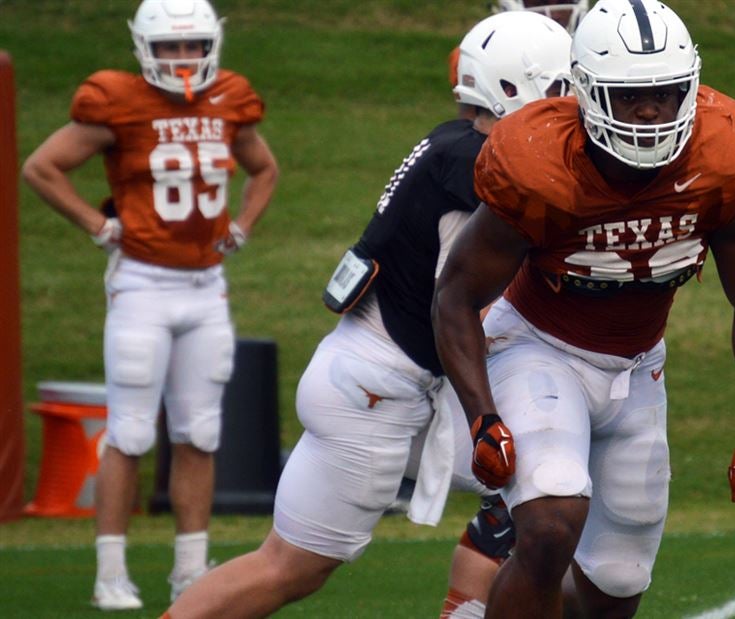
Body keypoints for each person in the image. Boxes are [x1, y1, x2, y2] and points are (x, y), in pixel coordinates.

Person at [162, 11, 573, 619]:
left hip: (382, 380)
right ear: (522, 87)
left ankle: (467, 607)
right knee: (288, 568)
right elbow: (482, 285)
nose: (575, 104)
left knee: (550, 493)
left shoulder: (456, 143)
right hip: (379, 394)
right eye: (565, 86)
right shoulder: (477, 163)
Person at [433, 1, 735, 616]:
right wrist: (482, 416)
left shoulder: (720, 156)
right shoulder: (540, 161)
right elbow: (455, 296)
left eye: (667, 94)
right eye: (628, 97)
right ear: (588, 92)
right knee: (548, 527)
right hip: (539, 350)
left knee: (615, 588)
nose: (650, 113)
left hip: (639, 366)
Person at [21, 0, 278, 611]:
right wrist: (96, 224)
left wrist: (241, 224)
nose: (184, 59)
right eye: (171, 48)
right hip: (140, 282)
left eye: (192, 46)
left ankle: (190, 569)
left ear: (210, 45)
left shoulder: (229, 99)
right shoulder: (117, 101)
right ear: (146, 49)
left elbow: (263, 169)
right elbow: (42, 166)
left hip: (205, 284)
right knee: (131, 431)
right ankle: (111, 570)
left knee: (201, 431)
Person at [449, 0, 590, 120]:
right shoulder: (480, 54)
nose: (555, 14)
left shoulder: (598, 47)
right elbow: (473, 124)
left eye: (563, 1)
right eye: (539, 1)